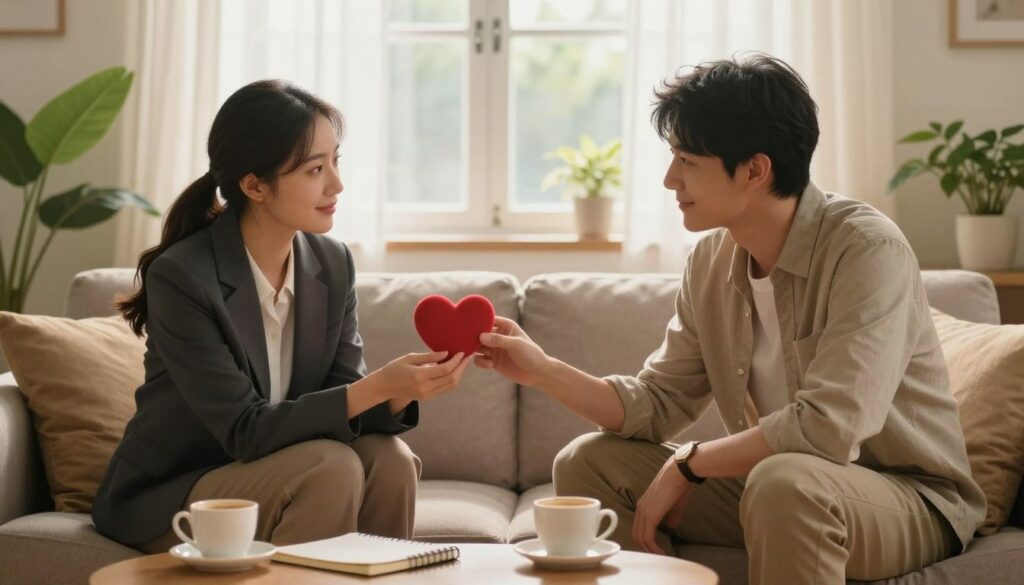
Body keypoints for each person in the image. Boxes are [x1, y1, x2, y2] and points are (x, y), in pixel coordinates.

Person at [475, 54, 985, 584]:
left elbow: (829, 427)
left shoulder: (866, 250)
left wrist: (690, 462)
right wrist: (540, 371)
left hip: (907, 498)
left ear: (754, 170)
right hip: (780, 485)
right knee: (590, 461)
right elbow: (656, 404)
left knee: (786, 481)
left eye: (687, 161)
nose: (670, 179)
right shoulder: (711, 261)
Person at [93, 79, 471, 553]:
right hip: (176, 489)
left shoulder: (332, 264)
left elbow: (337, 397)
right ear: (255, 185)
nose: (337, 183)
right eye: (315, 169)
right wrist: (378, 386)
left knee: (390, 458)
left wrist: (398, 392)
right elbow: (244, 430)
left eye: (336, 161)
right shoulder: (184, 277)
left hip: (274, 465)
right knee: (329, 467)